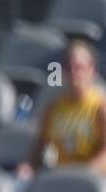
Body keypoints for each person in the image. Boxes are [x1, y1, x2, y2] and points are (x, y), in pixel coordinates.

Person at [18, 40, 106, 178]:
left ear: (91, 70)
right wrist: (27, 167)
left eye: (79, 67)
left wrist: (89, 172)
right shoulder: (54, 108)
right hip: (62, 177)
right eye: (68, 67)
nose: (74, 73)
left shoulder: (100, 106)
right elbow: (39, 147)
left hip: (94, 181)